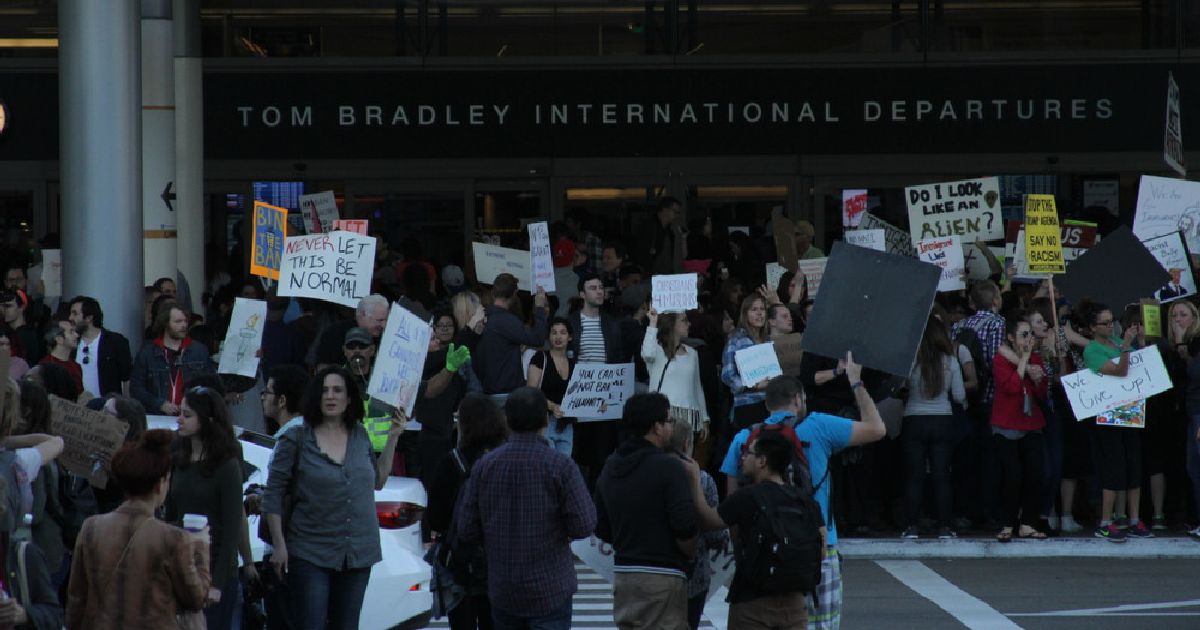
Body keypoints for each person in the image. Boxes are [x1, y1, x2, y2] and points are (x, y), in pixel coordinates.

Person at [718, 361, 885, 630]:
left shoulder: (745, 439)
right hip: (817, 545)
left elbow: (732, 501)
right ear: (798, 399)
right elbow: (877, 429)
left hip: (761, 550)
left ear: (767, 404)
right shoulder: (819, 426)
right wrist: (856, 382)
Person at [263, 366, 405, 630]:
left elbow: (378, 480)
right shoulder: (296, 436)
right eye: (324, 390)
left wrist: (393, 438)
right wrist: (279, 545)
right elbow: (273, 494)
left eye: (337, 390)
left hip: (358, 552)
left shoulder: (360, 434)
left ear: (349, 398)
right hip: (310, 550)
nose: (330, 396)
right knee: (311, 624)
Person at [455, 387, 596, 630]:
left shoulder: (484, 466)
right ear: (545, 419)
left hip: (503, 587)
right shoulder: (561, 466)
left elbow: (466, 529)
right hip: (551, 587)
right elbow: (584, 525)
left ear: (507, 420)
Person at [66, 429, 213, 630]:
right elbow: (196, 598)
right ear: (160, 484)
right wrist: (201, 550)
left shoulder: (91, 527)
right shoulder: (172, 538)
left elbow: (76, 599)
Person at [594, 393, 697, 630]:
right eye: (669, 421)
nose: (672, 425)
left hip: (624, 575)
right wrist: (689, 550)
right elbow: (685, 526)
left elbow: (601, 527)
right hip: (663, 574)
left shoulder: (611, 466)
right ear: (657, 427)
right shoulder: (669, 467)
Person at [165, 386, 248, 629]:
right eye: (180, 412)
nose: (179, 418)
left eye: (187, 415)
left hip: (214, 571)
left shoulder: (227, 466)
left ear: (208, 420)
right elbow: (171, 516)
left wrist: (217, 584)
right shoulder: (178, 459)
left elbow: (232, 527)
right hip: (181, 568)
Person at [425, 393, 509, 630]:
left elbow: (437, 519)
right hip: (501, 561)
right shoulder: (507, 459)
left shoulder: (451, 462)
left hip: (460, 561)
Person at [1079, 302, 1153, 541]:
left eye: (1112, 322)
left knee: (1133, 465)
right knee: (1113, 468)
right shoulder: (1092, 350)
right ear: (1092, 327)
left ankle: (1133, 518)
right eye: (1105, 323)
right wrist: (1125, 346)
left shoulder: (1117, 343)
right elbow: (1120, 371)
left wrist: (1138, 343)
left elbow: (1140, 366)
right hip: (1108, 414)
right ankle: (1106, 520)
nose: (1111, 326)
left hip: (1130, 411)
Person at [900, 315, 966, 539]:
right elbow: (959, 395)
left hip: (914, 419)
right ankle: (945, 526)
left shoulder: (911, 360)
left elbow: (901, 388)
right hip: (943, 419)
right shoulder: (950, 361)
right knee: (941, 475)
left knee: (914, 475)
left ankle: (911, 526)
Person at [991, 314, 1050, 542]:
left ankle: (1027, 523)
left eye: (1030, 334)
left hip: (1030, 422)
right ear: (1011, 337)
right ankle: (1006, 523)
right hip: (1006, 424)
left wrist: (1036, 378)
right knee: (1013, 474)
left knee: (1037, 473)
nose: (1028, 338)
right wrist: (1024, 361)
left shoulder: (1036, 357)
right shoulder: (1001, 360)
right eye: (1024, 334)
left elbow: (1041, 393)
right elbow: (1012, 387)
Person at [666, 419, 726, 630]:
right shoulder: (703, 480)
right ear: (687, 444)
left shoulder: (651, 473)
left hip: (656, 572)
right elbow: (715, 535)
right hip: (693, 577)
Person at [568, 272, 626, 486]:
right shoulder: (570, 322)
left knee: (602, 454)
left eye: (601, 287)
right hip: (578, 395)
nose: (599, 291)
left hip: (604, 396)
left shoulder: (612, 324)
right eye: (593, 288)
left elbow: (618, 358)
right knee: (578, 452)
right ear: (581, 294)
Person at [131, 303, 213, 416]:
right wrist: (159, 404)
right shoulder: (147, 353)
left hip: (191, 417)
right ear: (165, 323)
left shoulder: (199, 350)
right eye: (178, 322)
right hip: (157, 417)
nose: (184, 325)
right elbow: (136, 388)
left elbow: (210, 385)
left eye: (185, 321)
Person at [644, 309, 709, 440]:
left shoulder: (692, 353)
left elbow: (697, 387)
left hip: (689, 418)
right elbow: (647, 353)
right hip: (663, 418)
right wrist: (652, 323)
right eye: (684, 320)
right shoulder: (657, 349)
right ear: (671, 324)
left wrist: (704, 418)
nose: (689, 324)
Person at [526, 317, 576, 455]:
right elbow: (531, 392)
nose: (558, 336)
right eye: (554, 332)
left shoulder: (574, 362)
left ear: (570, 337)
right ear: (549, 337)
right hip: (544, 422)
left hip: (567, 423)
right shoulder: (540, 358)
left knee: (563, 468)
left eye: (563, 332)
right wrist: (552, 406)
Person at [721, 295, 770, 431]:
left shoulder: (768, 340)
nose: (759, 313)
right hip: (748, 405)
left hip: (770, 403)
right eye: (754, 309)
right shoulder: (737, 340)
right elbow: (727, 375)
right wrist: (753, 385)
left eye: (762, 309)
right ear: (745, 314)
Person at [67, 296, 133, 398]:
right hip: (76, 408)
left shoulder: (116, 342)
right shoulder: (71, 343)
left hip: (107, 408)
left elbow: (127, 379)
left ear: (89, 318)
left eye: (75, 313)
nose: (70, 318)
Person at [309, 294, 390, 370]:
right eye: (379, 320)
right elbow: (323, 367)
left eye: (386, 321)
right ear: (363, 314)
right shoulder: (336, 332)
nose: (383, 325)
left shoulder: (386, 337)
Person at [639, 196, 686, 276]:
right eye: (676, 212)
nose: (677, 216)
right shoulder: (649, 227)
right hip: (651, 275)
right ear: (665, 210)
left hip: (663, 275)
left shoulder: (669, 231)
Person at [38, 318, 84, 395]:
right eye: (71, 332)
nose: (77, 335)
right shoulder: (44, 367)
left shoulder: (76, 366)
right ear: (59, 339)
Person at [0, 290, 42, 365]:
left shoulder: (27, 334)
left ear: (22, 307)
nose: (3, 310)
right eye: (1, 306)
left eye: (8, 306)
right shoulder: (6, 331)